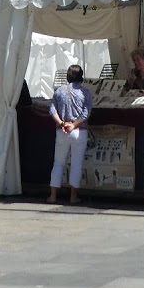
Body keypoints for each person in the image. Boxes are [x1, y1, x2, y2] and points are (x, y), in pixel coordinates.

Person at [46, 64, 93, 204]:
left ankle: (53, 196)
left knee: (58, 163)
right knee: (76, 164)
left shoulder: (59, 91)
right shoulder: (85, 92)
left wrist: (61, 123)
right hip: (79, 131)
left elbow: (52, 110)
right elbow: (86, 113)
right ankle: (73, 196)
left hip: (62, 131)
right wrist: (74, 124)